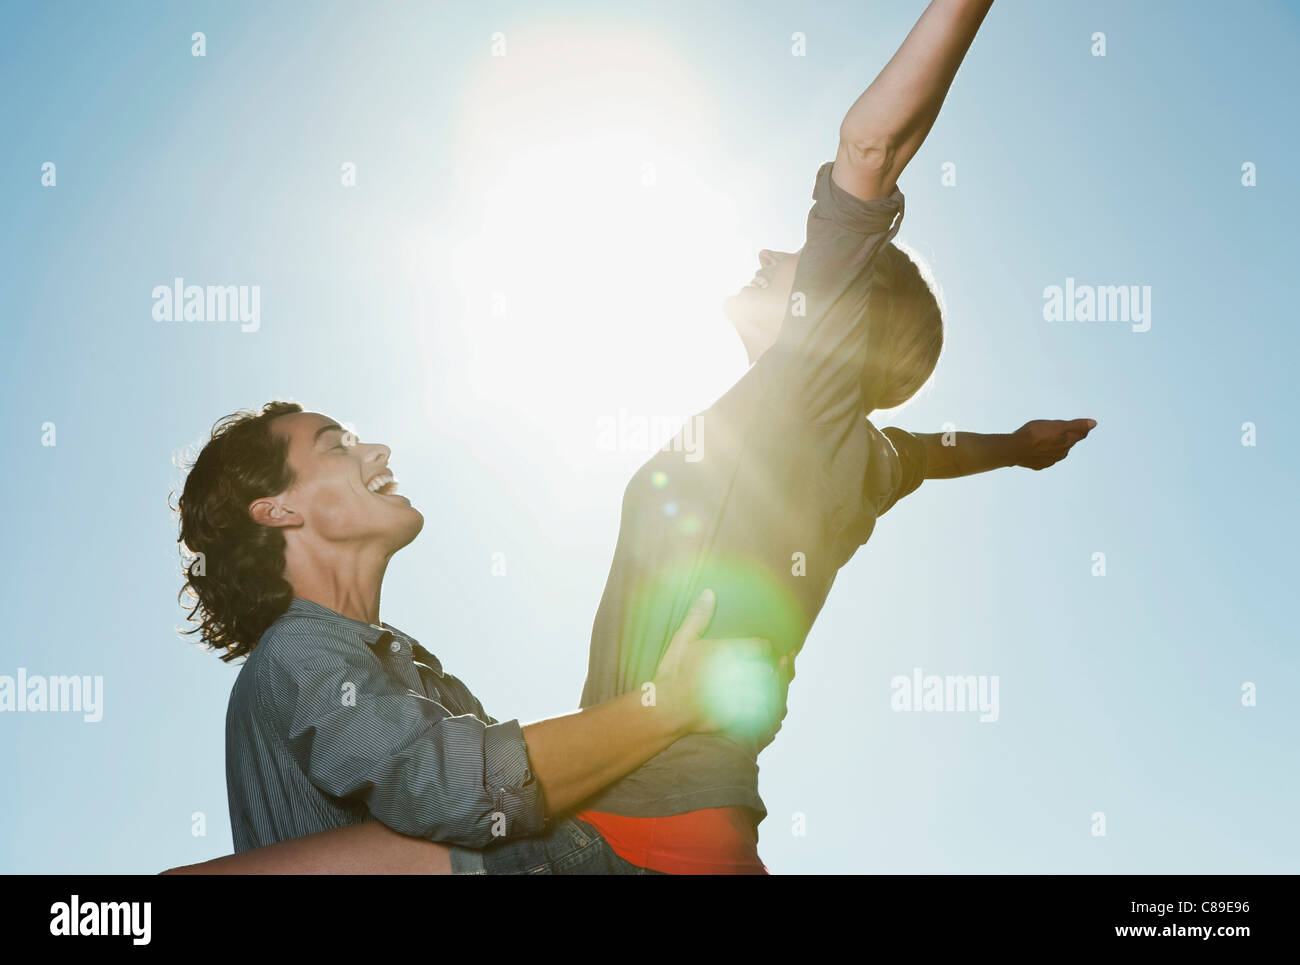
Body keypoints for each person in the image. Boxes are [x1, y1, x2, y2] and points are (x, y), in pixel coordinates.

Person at [167, 0, 1096, 875]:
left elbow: (869, 143)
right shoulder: (855, 456)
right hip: (677, 821)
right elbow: (935, 452)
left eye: (803, 269)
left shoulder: (802, 392)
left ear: (847, 320)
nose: (776, 257)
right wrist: (1019, 443)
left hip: (643, 822)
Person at [165, 402, 789, 875]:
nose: (378, 452)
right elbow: (441, 789)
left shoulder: (411, 667)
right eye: (337, 448)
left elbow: (499, 806)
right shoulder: (296, 651)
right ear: (277, 510)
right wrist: (670, 708)